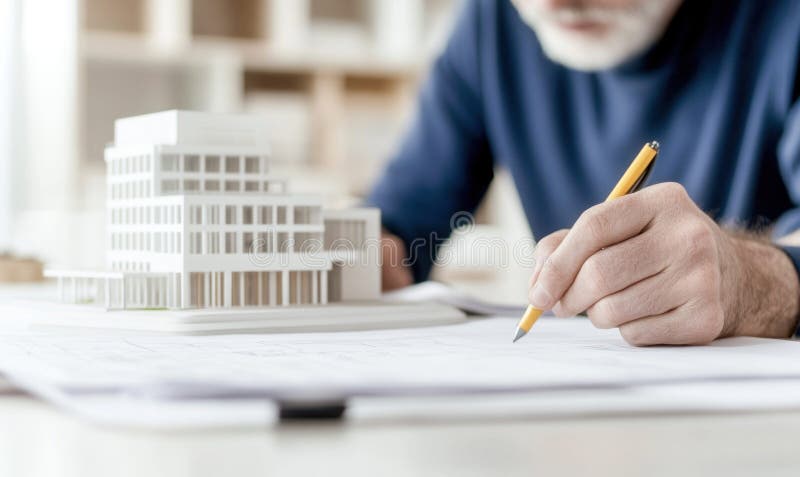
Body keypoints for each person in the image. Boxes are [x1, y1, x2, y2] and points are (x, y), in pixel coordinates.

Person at [367, 0, 800, 346]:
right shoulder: (493, 20)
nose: (555, 3)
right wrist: (335, 260)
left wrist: (746, 280)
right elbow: (400, 228)